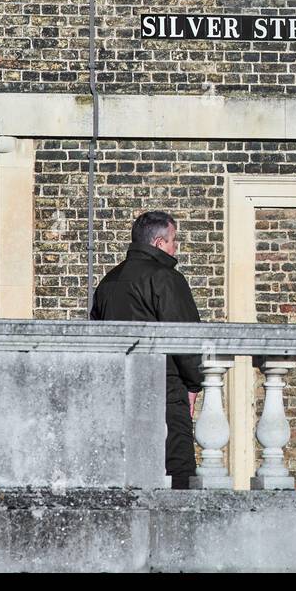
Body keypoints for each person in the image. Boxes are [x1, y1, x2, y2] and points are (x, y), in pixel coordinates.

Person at [90, 210, 204, 489]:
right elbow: (186, 337)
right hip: (164, 388)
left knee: (125, 475)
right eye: (174, 240)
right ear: (159, 243)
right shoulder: (165, 278)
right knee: (178, 474)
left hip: (118, 390)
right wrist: (195, 384)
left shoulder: (108, 282)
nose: (175, 247)